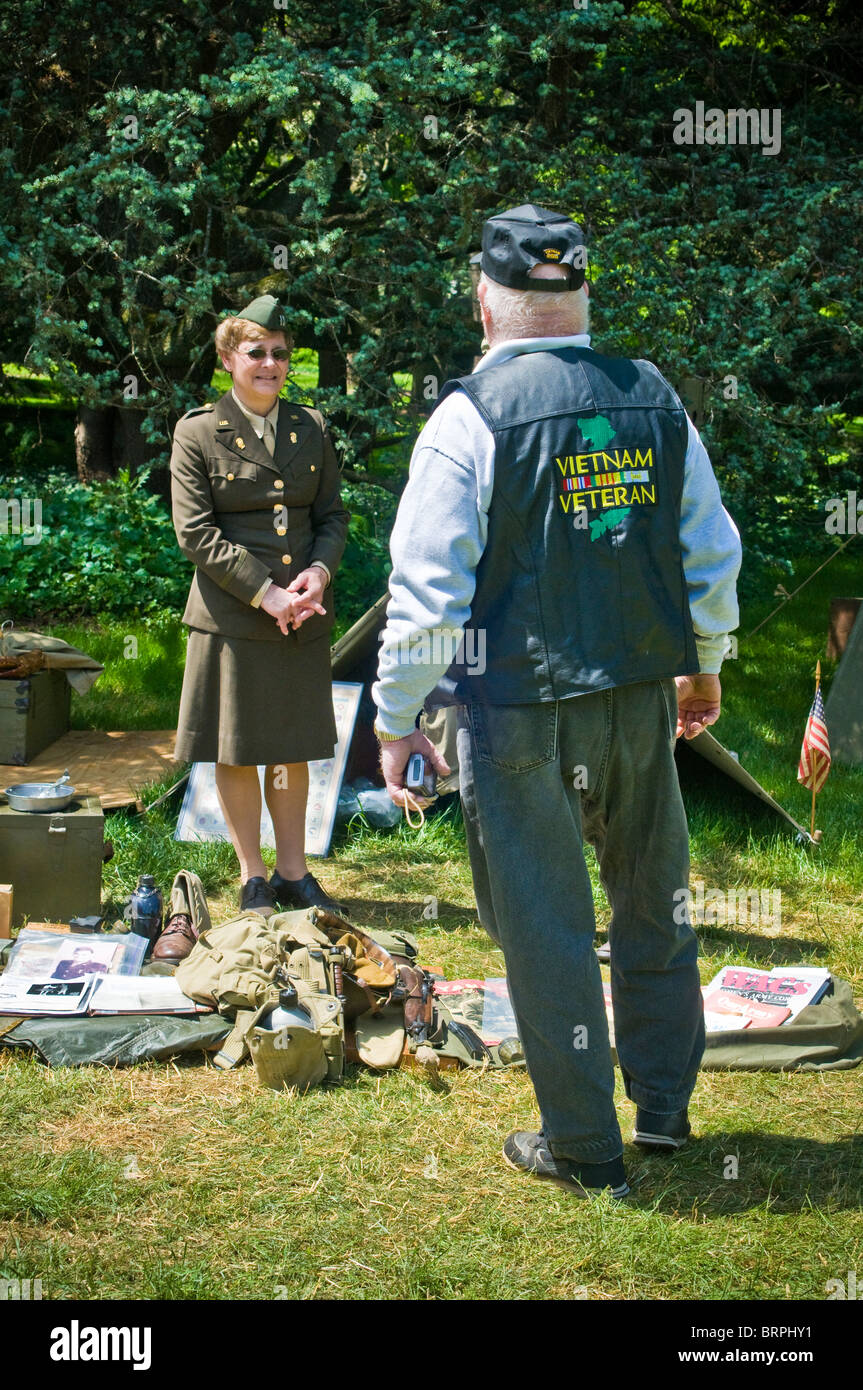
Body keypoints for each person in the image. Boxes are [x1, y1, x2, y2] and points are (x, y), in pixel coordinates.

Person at [372, 204, 742, 1199]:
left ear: (485, 304)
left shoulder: (467, 418)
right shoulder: (651, 396)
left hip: (518, 708)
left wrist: (394, 716)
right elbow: (710, 551)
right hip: (635, 694)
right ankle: (661, 1110)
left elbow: (425, 599)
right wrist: (703, 661)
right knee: (651, 903)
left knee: (543, 923)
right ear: (580, 293)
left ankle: (582, 1147)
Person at [169, 294, 350, 922]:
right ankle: (253, 877)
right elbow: (195, 533)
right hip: (233, 616)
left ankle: (295, 873)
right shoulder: (197, 432)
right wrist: (264, 591)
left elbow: (331, 516)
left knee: (291, 745)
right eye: (256, 353)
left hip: (299, 614)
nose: (269, 364)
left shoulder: (312, 427)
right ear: (228, 359)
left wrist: (318, 576)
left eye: (279, 354)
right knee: (237, 746)